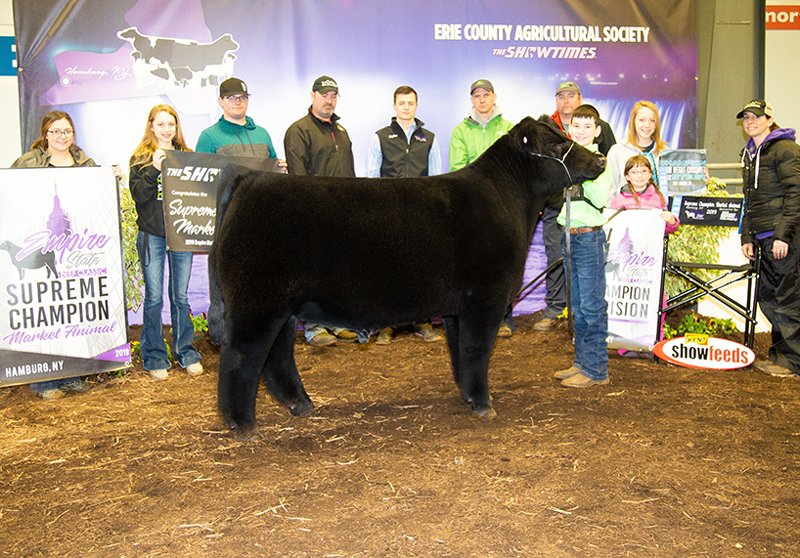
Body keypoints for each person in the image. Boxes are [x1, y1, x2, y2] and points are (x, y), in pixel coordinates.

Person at [11, 111, 116, 399]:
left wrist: (111, 178)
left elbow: (98, 199)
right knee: (45, 315)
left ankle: (71, 374)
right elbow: (12, 197)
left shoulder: (85, 163)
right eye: (56, 131)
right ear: (45, 134)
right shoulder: (27, 163)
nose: (62, 136)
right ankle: (44, 382)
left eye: (67, 131)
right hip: (42, 250)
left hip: (75, 251)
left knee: (72, 314)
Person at [130, 104, 203, 381]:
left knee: (180, 297)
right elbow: (139, 196)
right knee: (153, 297)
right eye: (160, 124)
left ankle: (186, 351)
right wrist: (154, 168)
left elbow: (200, 192)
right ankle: (154, 355)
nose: (166, 129)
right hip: (152, 234)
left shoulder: (186, 155)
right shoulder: (140, 158)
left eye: (171, 124)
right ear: (151, 126)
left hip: (181, 233)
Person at [536, 81, 617, 333]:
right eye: (561, 96)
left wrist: (583, 172)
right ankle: (557, 311)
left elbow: (601, 188)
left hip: (588, 225)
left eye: (571, 96)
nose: (566, 101)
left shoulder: (599, 145)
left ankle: (592, 348)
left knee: (589, 298)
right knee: (561, 270)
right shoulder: (549, 130)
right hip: (561, 216)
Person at [366, 85, 443, 344]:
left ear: (416, 105)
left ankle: (422, 320)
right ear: (394, 106)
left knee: (422, 269)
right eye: (402, 103)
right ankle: (387, 324)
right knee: (388, 269)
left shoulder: (429, 139)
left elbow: (436, 180)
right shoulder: (380, 137)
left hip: (421, 216)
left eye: (410, 103)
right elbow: (371, 180)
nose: (406, 107)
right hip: (389, 214)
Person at [284, 75, 357, 346]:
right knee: (312, 273)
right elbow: (298, 179)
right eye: (324, 95)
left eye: (333, 96)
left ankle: (336, 322)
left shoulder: (342, 132)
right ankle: (314, 328)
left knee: (337, 271)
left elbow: (349, 173)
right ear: (313, 96)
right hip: (314, 214)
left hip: (342, 213)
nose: (329, 100)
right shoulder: (299, 130)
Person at [737, 99, 800, 378]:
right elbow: (750, 199)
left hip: (783, 237)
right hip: (763, 237)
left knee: (788, 297)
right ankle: (781, 356)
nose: (750, 121)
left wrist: (783, 235)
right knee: (770, 297)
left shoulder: (785, 149)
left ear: (769, 120)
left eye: (756, 116)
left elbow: (796, 194)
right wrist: (747, 235)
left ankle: (793, 361)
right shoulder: (750, 154)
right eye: (746, 117)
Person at [449, 78, 515, 337]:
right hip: (474, 208)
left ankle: (504, 317)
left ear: (494, 97)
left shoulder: (509, 129)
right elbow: (458, 168)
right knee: (475, 263)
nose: (482, 99)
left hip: (505, 206)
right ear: (472, 100)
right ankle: (473, 316)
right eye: (477, 96)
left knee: (504, 263)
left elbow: (517, 168)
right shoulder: (460, 131)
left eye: (486, 94)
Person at [609, 154, 680, 358]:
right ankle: (625, 345)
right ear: (627, 176)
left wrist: (671, 221)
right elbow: (610, 226)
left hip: (650, 261)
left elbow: (668, 228)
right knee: (627, 300)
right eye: (634, 171)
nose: (639, 175)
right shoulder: (619, 200)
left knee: (655, 301)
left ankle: (652, 344)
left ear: (650, 174)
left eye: (643, 171)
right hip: (626, 262)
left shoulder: (658, 199)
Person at [195, 77, 278, 158]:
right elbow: (199, 166)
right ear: (221, 101)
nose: (238, 102)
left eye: (243, 97)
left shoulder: (262, 133)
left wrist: (280, 165)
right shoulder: (209, 136)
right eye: (231, 98)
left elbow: (273, 164)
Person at [606, 100, 669, 203]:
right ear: (633, 121)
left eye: (652, 120)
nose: (647, 125)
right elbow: (610, 188)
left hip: (658, 210)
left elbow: (674, 188)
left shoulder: (665, 152)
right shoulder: (617, 151)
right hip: (625, 210)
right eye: (642, 120)